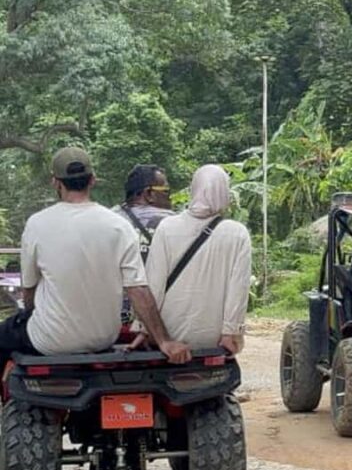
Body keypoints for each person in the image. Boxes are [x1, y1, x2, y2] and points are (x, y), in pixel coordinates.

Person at [6, 147, 190, 370]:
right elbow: (138, 289)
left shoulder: (37, 223)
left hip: (51, 341)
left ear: (55, 182)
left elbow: (29, 292)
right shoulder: (118, 226)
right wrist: (164, 341)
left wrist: (32, 314)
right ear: (92, 180)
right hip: (104, 339)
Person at [141, 165, 251, 354]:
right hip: (212, 338)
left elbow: (153, 284)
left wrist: (144, 329)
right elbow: (238, 290)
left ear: (194, 189)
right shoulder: (237, 233)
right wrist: (230, 333)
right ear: (225, 193)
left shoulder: (167, 228)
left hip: (168, 336)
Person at [113, 165, 176, 324]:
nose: (170, 197)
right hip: (160, 323)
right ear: (149, 194)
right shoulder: (175, 223)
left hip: (114, 319)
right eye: (166, 191)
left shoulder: (109, 220)